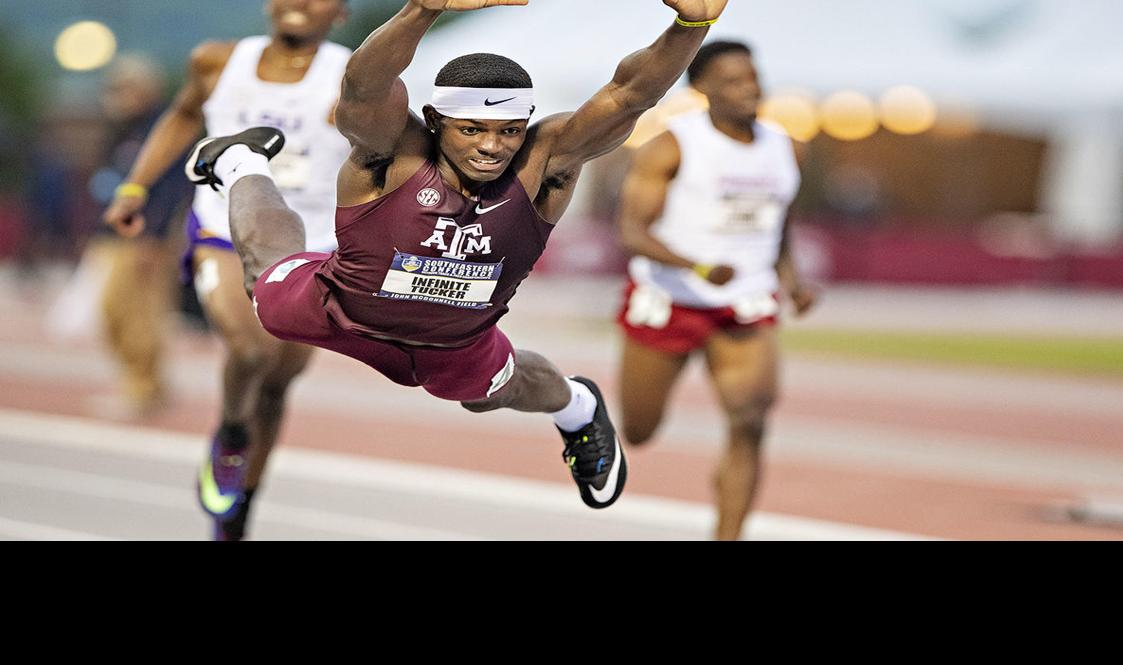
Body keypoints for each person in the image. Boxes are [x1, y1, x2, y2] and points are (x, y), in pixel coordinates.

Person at [182, 0, 730, 517]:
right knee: (265, 288)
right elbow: (362, 86)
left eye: (508, 131)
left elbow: (629, 94)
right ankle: (241, 162)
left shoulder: (546, 163)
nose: (492, 147)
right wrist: (423, 8)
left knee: (492, 395)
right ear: (436, 122)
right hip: (338, 308)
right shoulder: (392, 154)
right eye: (472, 129)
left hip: (454, 342)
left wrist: (689, 29)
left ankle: (578, 411)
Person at [103, 0, 353, 541]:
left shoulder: (353, 75)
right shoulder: (217, 62)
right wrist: (134, 186)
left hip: (312, 244)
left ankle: (237, 516)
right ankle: (232, 431)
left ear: (341, 11)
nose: (300, 3)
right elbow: (185, 115)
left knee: (278, 385)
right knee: (251, 348)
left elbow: (385, 148)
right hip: (224, 229)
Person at [615, 41, 818, 540]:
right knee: (639, 431)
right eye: (731, 80)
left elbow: (779, 224)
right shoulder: (672, 144)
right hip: (669, 300)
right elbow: (633, 232)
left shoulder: (786, 145)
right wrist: (698, 267)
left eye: (752, 76)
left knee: (750, 420)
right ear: (700, 88)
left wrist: (792, 280)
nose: (748, 88)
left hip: (745, 302)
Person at [93, 55, 193, 419]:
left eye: (124, 88)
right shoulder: (123, 128)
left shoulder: (163, 129)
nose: (117, 96)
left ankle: (144, 387)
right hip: (114, 233)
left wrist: (156, 235)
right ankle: (144, 381)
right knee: (113, 310)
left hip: (147, 236)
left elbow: (173, 188)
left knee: (140, 313)